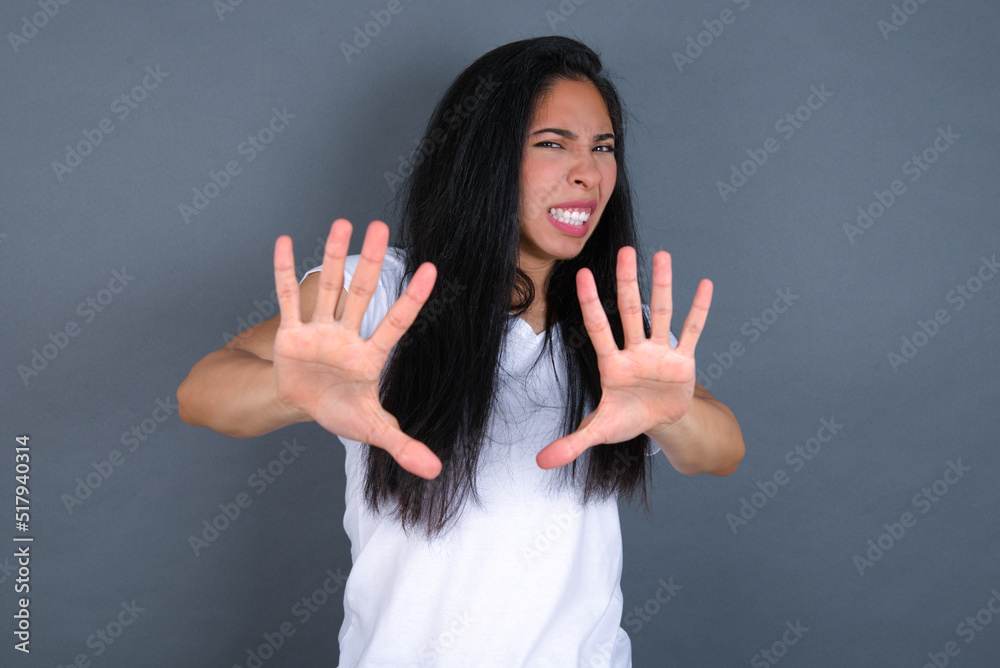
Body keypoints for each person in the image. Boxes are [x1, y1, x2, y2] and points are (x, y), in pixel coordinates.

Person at [178, 35, 744, 667]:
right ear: (485, 158)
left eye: (603, 147)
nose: (589, 172)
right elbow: (203, 393)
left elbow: (722, 452)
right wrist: (288, 390)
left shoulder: (617, 331)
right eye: (553, 143)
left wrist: (673, 413)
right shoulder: (388, 293)